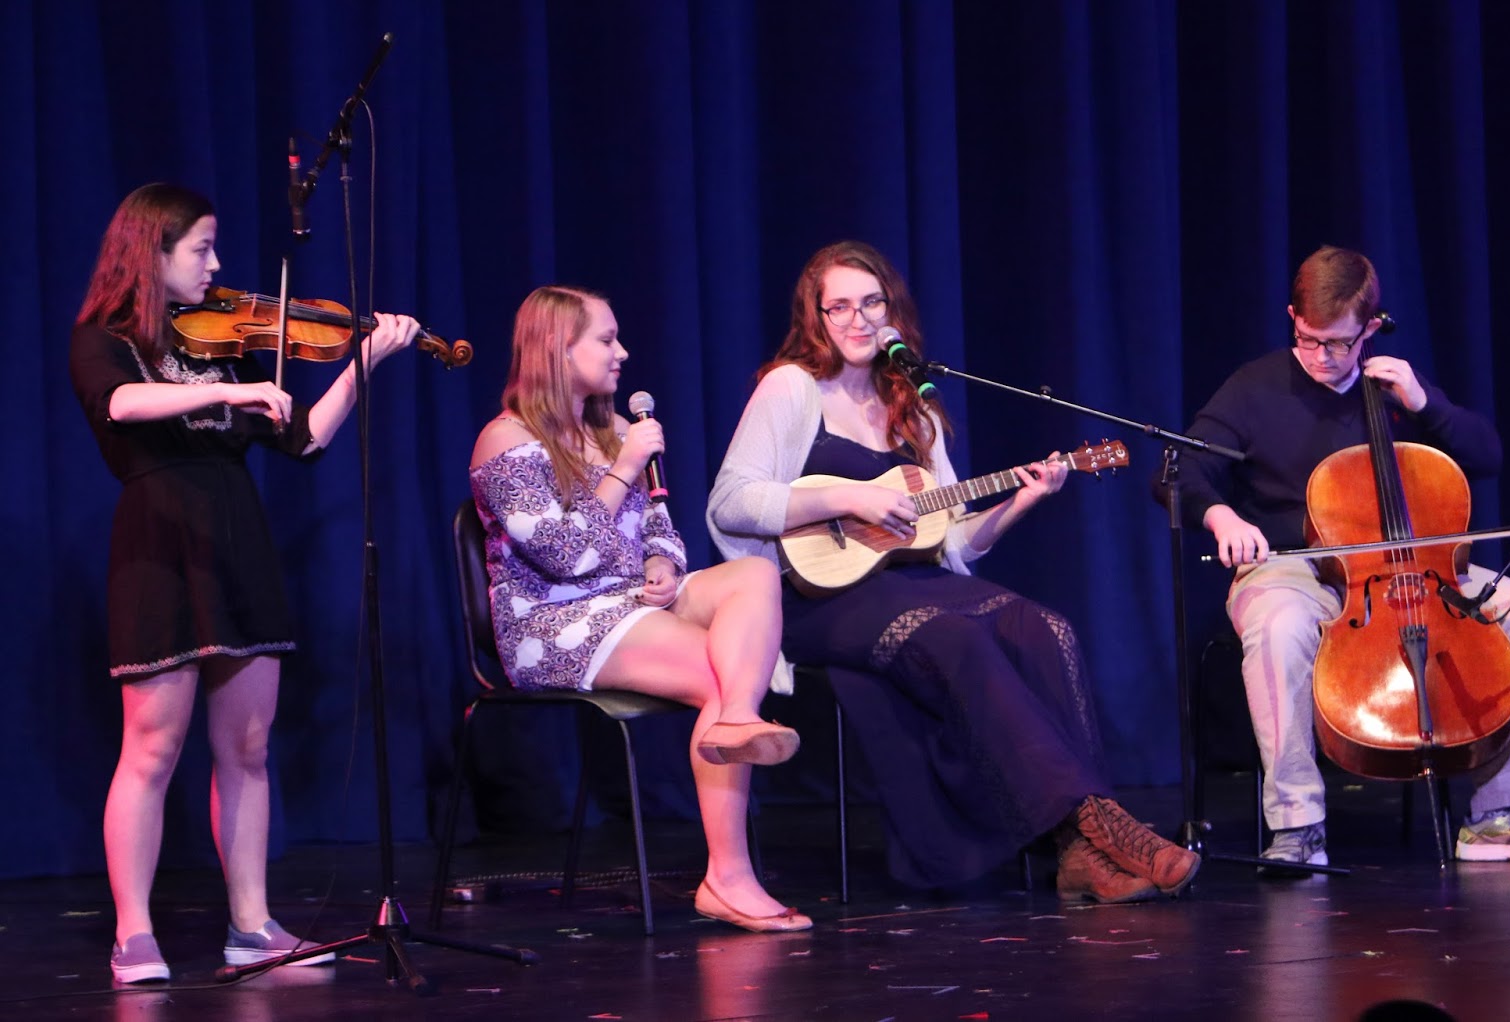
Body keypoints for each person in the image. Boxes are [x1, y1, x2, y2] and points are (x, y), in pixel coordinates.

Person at [706, 240, 1199, 904]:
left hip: (911, 582)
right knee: (954, 636)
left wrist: (1019, 503)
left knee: (1044, 629)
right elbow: (731, 502)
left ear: (893, 310)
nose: (857, 320)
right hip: (814, 596)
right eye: (839, 307)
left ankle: (1080, 855)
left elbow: (953, 539)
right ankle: (1098, 822)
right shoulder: (791, 388)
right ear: (815, 317)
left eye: (871, 303)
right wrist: (847, 498)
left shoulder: (915, 403)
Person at [68, 183, 424, 982]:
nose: (216, 264)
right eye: (201, 248)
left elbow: (304, 438)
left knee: (249, 747)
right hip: (159, 544)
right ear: (151, 252)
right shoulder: (102, 340)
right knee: (152, 747)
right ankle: (133, 933)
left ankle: (253, 925)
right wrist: (229, 390)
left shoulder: (222, 338)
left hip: (237, 540)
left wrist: (362, 363)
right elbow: (120, 405)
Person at [1166, 245, 1510, 869]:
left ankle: (1503, 813)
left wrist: (1426, 404)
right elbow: (1180, 470)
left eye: (1340, 343)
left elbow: (1487, 456)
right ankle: (1298, 825)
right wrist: (1222, 516)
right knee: (1278, 625)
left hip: (1411, 570)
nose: (1324, 357)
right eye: (1310, 340)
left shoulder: (1391, 391)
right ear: (1293, 318)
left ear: (1369, 329)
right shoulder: (1253, 387)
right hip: (1293, 565)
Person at [469, 284, 810, 933]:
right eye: (606, 339)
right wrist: (623, 467)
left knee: (754, 575)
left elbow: (659, 525)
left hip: (630, 602)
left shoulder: (615, 431)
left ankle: (737, 718)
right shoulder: (505, 442)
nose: (622, 352)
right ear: (557, 348)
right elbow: (564, 556)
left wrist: (663, 563)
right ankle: (727, 878)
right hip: (551, 622)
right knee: (718, 672)